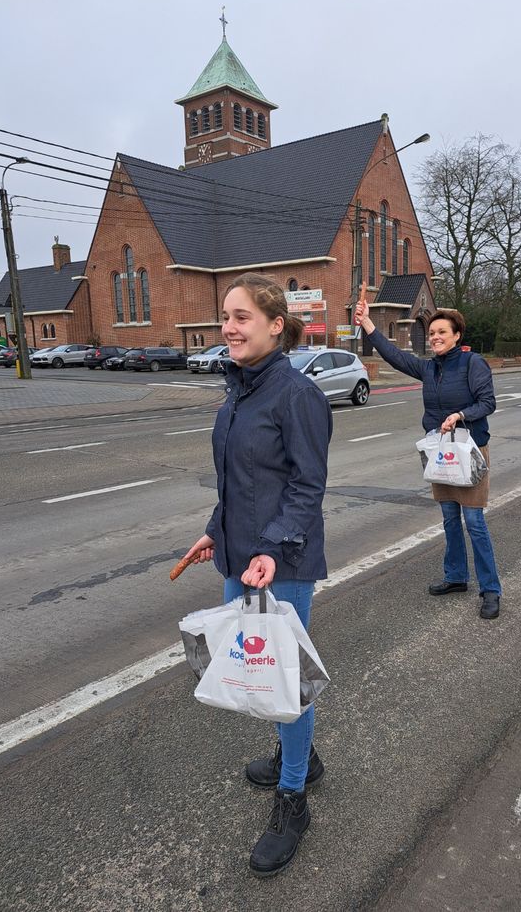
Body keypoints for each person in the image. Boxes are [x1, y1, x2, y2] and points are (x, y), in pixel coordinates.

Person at [185, 272, 333, 877]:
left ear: (275, 325)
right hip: (240, 555)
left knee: (281, 685)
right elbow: (238, 482)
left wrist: (271, 547)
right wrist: (213, 531)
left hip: (283, 560)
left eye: (242, 317)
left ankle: (294, 797)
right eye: (225, 316)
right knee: (253, 669)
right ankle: (302, 758)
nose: (229, 327)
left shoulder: (296, 395)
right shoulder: (238, 392)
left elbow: (307, 487)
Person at [354, 284, 502, 619]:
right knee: (450, 518)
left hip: (471, 452)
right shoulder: (429, 368)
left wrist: (460, 415)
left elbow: (487, 402)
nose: (435, 337)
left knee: (474, 521)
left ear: (456, 335)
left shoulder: (472, 363)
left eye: (441, 332)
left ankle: (491, 590)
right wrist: (367, 325)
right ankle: (456, 577)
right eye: (432, 332)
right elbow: (395, 356)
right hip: (441, 452)